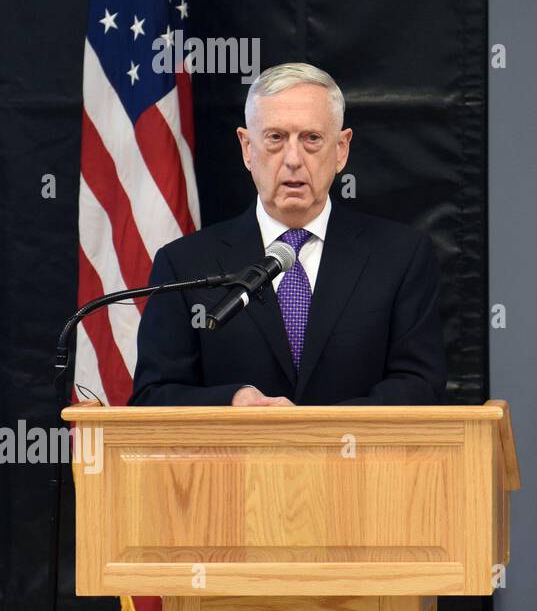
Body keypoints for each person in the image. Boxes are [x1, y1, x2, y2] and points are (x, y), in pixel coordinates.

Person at [130, 62, 447, 406]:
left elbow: (420, 387)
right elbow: (154, 396)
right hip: (233, 459)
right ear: (247, 148)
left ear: (341, 149)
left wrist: (315, 432)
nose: (293, 159)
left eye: (311, 138)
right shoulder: (184, 265)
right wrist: (233, 402)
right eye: (275, 138)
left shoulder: (400, 257)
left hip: (357, 457)